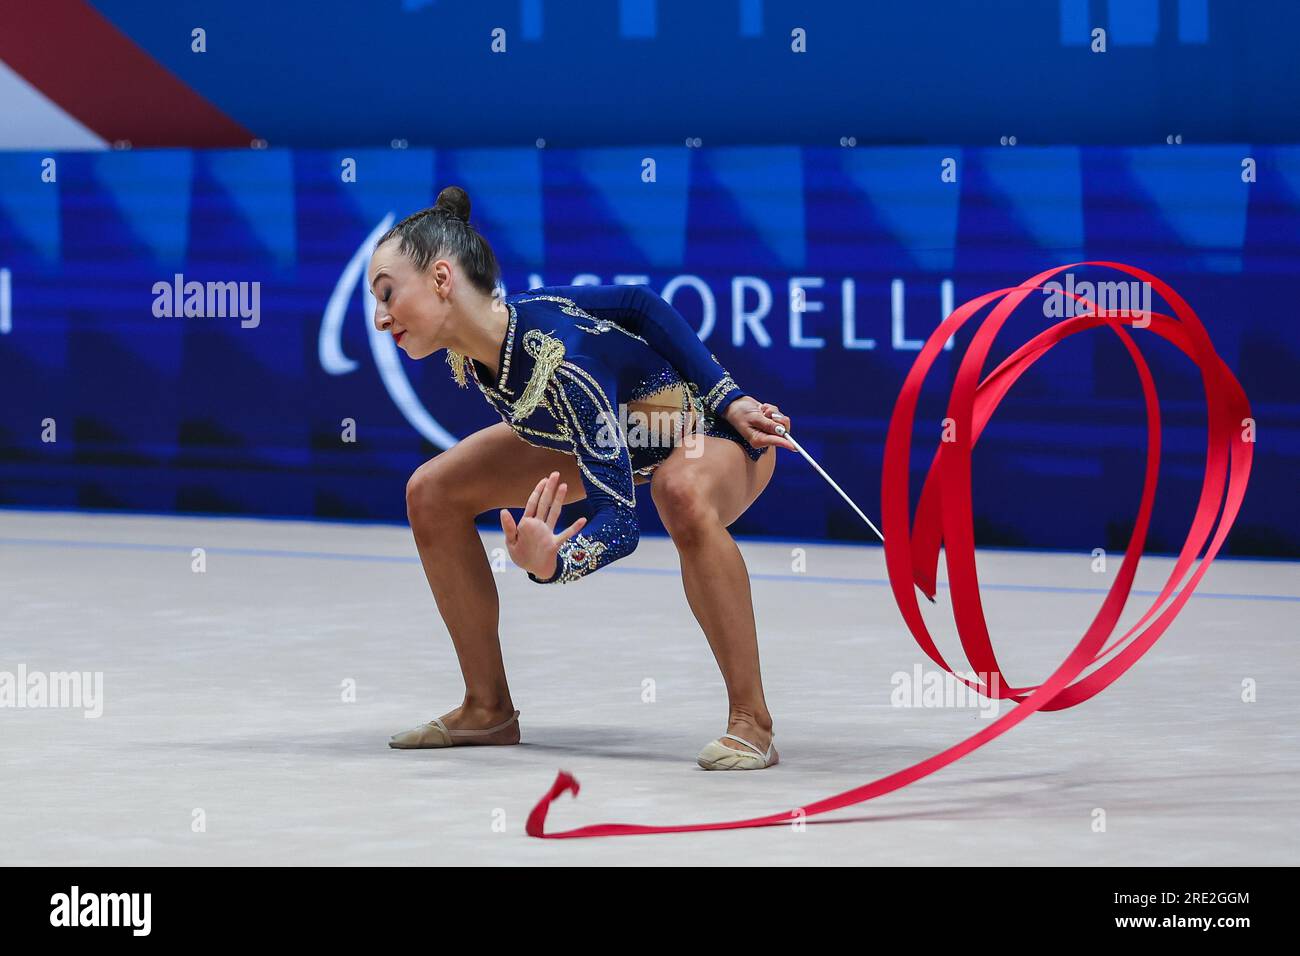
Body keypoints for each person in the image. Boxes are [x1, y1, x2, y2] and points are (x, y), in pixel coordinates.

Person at [372, 186, 794, 770]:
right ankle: (487, 708)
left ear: (441, 278)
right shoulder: (508, 329)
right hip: (614, 433)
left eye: (387, 294)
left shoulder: (564, 364)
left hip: (708, 431)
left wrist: (554, 564)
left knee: (678, 492)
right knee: (432, 492)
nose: (380, 317)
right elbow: (636, 304)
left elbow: (619, 521)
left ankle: (752, 720)